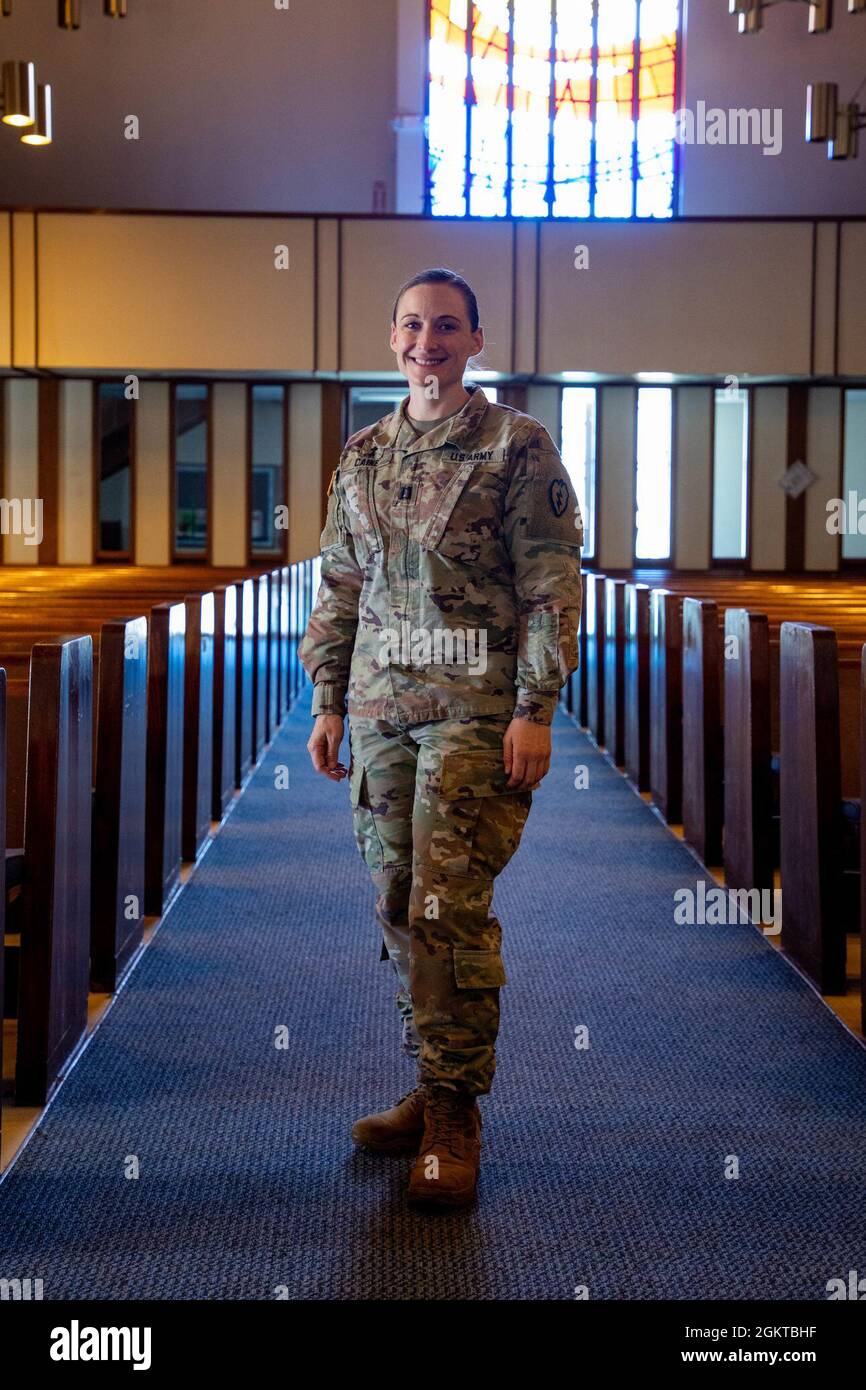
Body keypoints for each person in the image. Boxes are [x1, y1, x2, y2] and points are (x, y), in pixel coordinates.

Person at [298, 266, 583, 1209]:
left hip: (475, 706)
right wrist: (328, 698)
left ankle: (457, 1111)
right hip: (379, 708)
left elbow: (551, 587)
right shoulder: (365, 454)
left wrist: (536, 711)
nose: (429, 341)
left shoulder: (516, 445)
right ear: (392, 337)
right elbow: (340, 584)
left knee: (444, 904)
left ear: (476, 341)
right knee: (391, 897)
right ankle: (427, 1083)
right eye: (414, 325)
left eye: (448, 327)